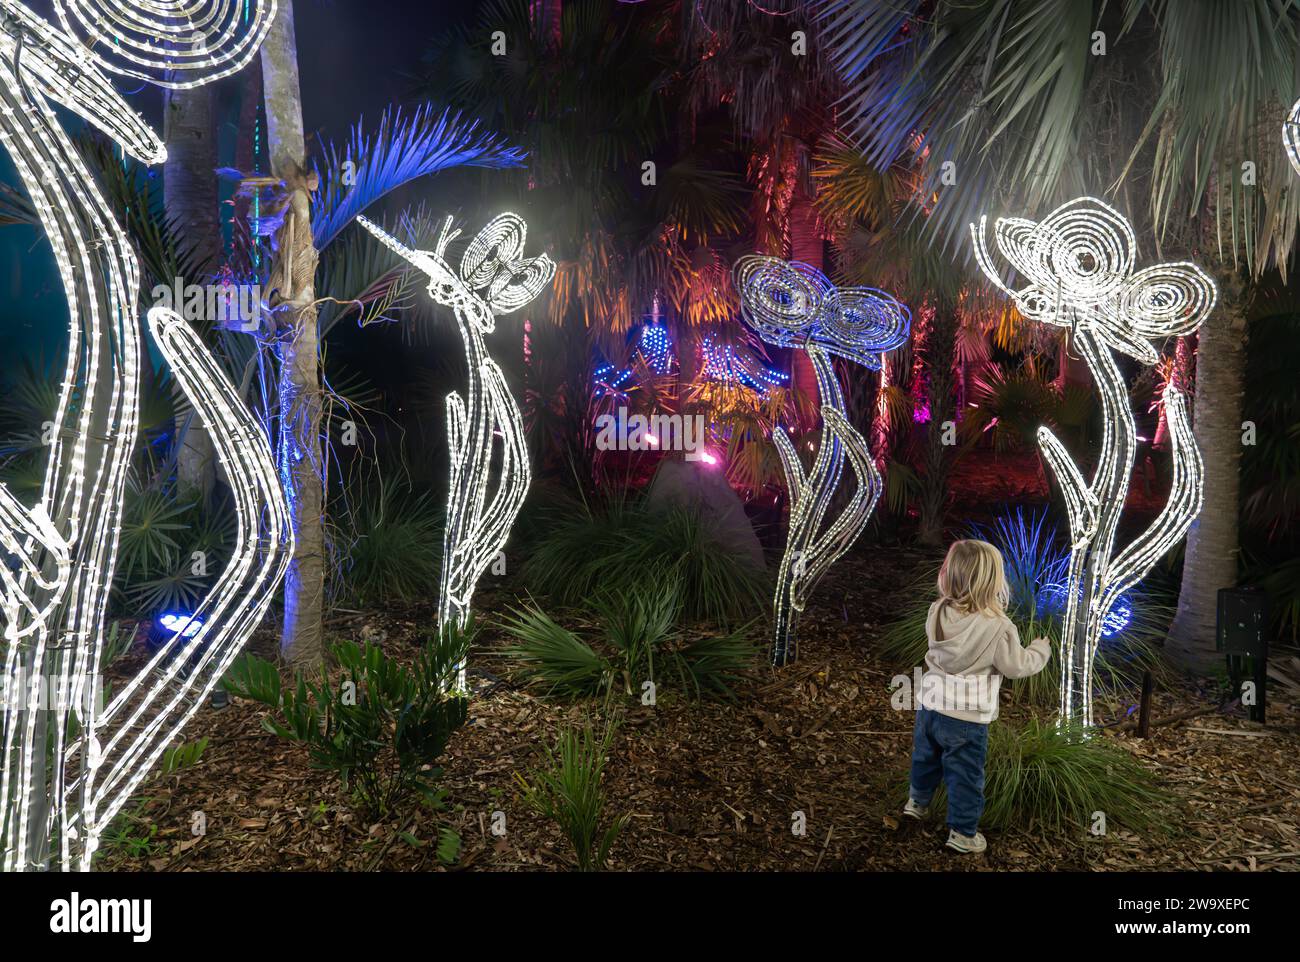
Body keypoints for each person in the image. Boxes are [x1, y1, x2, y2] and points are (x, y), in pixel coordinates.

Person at [904, 539, 1051, 854]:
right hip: (966, 718)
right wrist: (1040, 649)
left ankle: (917, 803)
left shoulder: (937, 610)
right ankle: (962, 833)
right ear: (993, 582)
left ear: (949, 574)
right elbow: (1016, 666)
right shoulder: (998, 627)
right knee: (965, 775)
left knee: (925, 758)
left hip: (930, 706)